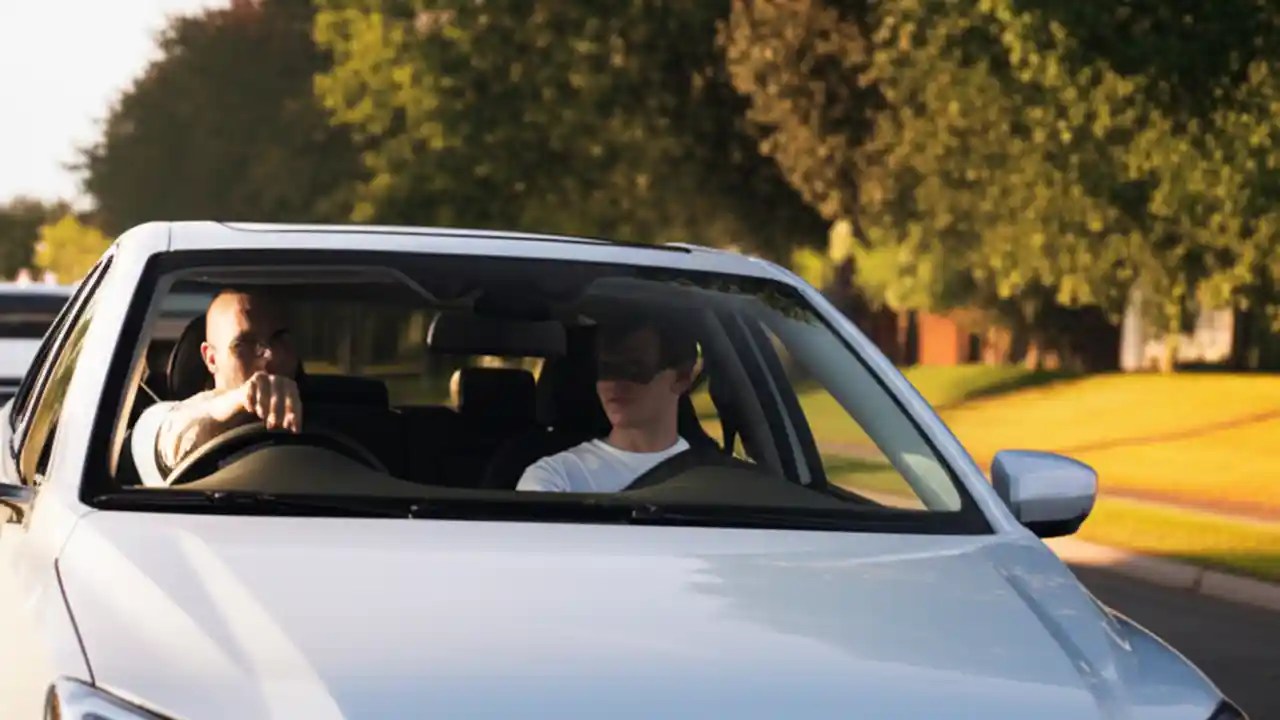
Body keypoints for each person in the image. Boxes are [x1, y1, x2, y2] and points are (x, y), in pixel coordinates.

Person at [131, 289, 303, 485]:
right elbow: (171, 438)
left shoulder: (332, 410)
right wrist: (242, 399)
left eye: (279, 338)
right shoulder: (184, 414)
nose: (271, 354)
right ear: (211, 358)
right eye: (243, 344)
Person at [516, 315, 697, 493]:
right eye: (606, 370)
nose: (615, 384)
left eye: (634, 370)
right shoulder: (555, 479)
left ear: (682, 377)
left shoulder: (714, 476)